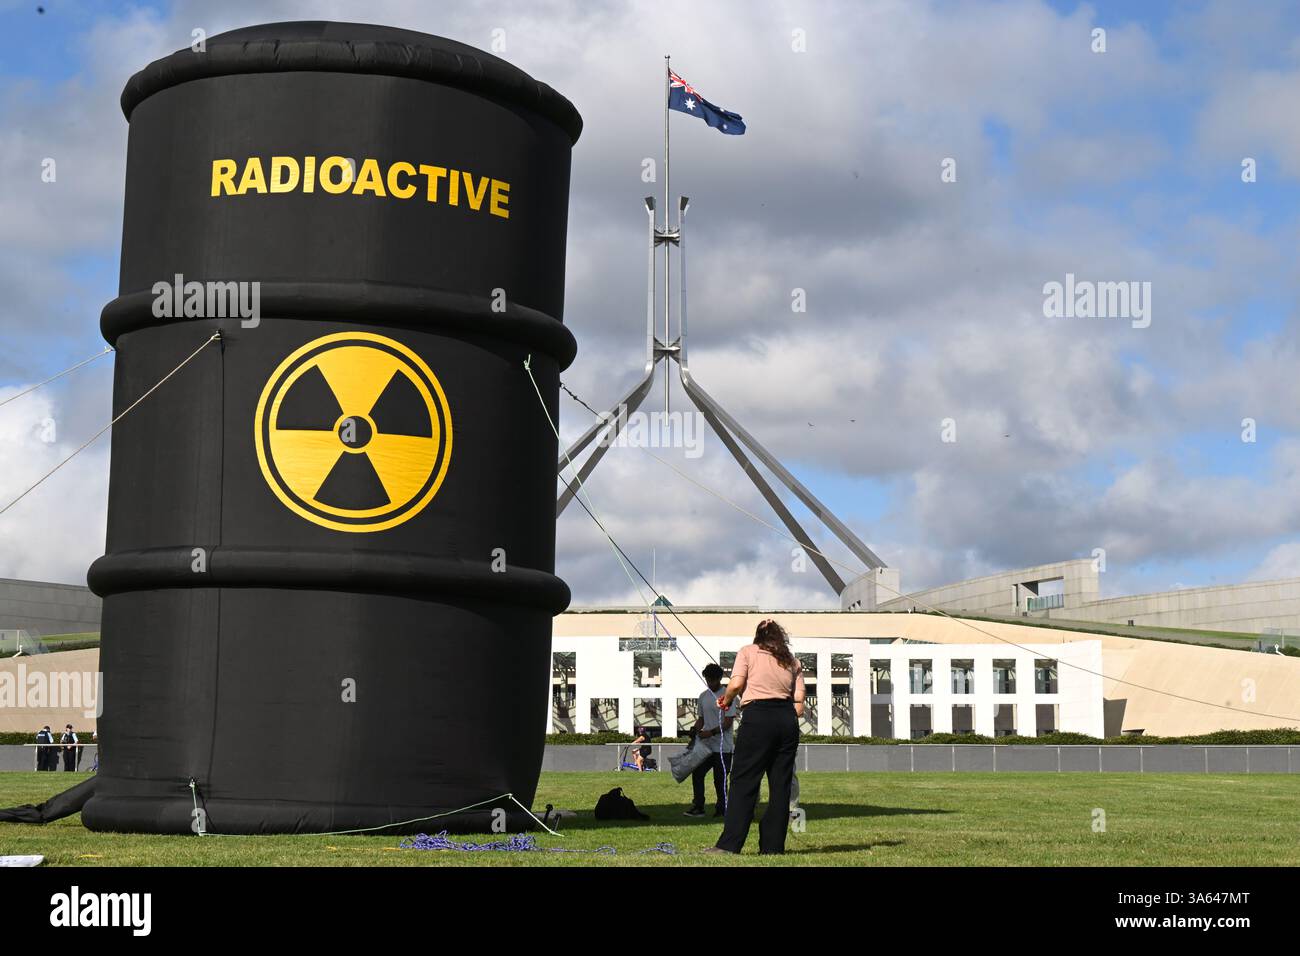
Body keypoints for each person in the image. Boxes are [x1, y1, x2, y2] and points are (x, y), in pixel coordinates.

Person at [705, 619, 804, 856]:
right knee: (780, 785)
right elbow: (799, 705)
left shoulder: (747, 652)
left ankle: (729, 844)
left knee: (744, 781)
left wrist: (726, 700)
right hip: (787, 720)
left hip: (757, 717)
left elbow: (736, 684)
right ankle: (772, 847)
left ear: (757, 636)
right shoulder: (793, 661)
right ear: (780, 637)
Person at [684, 663, 738, 818]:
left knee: (719, 779)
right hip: (706, 747)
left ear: (719, 679)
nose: (709, 682)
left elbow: (728, 723)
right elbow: (701, 719)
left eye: (712, 679)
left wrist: (711, 732)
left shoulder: (728, 695)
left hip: (723, 747)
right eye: (707, 679)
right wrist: (695, 730)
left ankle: (722, 809)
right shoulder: (703, 696)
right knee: (697, 773)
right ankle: (698, 806)